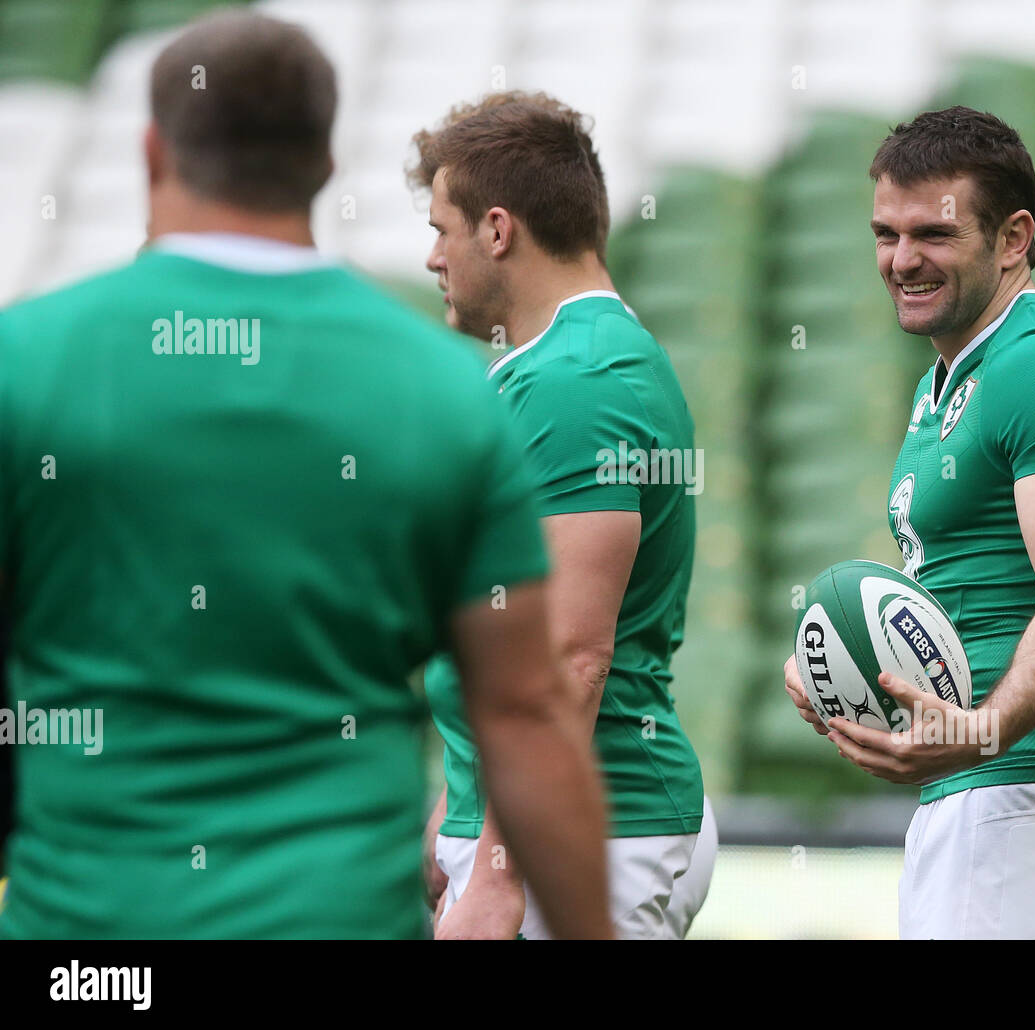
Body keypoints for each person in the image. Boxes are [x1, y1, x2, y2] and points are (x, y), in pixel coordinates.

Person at [0, 11, 610, 940]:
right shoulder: (442, 390)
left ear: (152, 152)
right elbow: (524, 713)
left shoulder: (23, 363)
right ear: (325, 165)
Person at [784, 106, 1035, 939]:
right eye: (886, 234)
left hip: (1034, 793)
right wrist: (832, 654)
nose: (902, 260)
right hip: (989, 794)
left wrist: (982, 731)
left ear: (1014, 238)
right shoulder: (957, 372)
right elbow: (957, 584)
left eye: (933, 235)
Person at [409, 92, 715, 940]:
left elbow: (573, 651)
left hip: (580, 839)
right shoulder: (568, 365)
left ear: (497, 230)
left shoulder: (575, 382)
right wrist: (458, 800)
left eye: (443, 228)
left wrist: (503, 876)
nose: (432, 256)